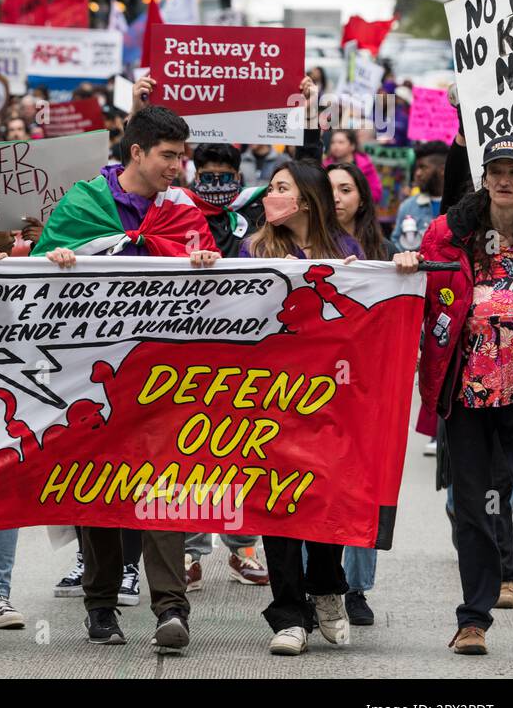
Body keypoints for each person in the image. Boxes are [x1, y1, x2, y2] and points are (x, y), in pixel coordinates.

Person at [27, 79, 217, 654]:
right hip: (92, 377)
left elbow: (215, 279)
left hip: (164, 376)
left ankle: (169, 609)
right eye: (168, 156)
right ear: (136, 152)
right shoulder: (82, 204)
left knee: (168, 484)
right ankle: (101, 605)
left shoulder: (183, 210)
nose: (178, 168)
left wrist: (205, 262)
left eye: (182, 156)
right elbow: (34, 278)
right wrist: (59, 261)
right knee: (99, 489)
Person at [415, 136, 513, 662]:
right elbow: (423, 286)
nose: (505, 180)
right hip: (466, 394)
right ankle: (473, 620)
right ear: (483, 177)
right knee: (473, 507)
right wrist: (408, 267)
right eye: (496, 170)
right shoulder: (451, 232)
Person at [227, 160, 364, 656]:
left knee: (324, 499)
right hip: (269, 398)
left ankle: (328, 588)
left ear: (305, 199)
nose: (270, 195)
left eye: (281, 188)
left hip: (328, 400)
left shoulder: (348, 251)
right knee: (276, 503)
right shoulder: (253, 249)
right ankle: (288, 615)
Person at [178, 142, 271, 588]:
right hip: (187, 352)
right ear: (194, 176)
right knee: (190, 450)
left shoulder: (256, 212)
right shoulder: (175, 212)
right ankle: (189, 553)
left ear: (239, 177)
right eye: (207, 176)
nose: (216, 185)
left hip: (244, 353)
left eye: (225, 177)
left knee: (240, 449)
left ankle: (245, 547)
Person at [326, 160, 398, 626]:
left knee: (363, 489)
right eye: (328, 189)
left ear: (362, 198)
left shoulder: (384, 251)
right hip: (314, 389)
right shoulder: (302, 249)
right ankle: (320, 583)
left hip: (366, 388)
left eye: (346, 189)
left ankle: (355, 588)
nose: (337, 197)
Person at [392, 141, 447, 251]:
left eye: (423, 167)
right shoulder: (407, 207)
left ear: (442, 170)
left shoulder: (460, 205)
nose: (417, 173)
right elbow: (395, 247)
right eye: (417, 168)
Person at [323, 128, 383, 204]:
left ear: (352, 146)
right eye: (333, 142)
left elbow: (376, 192)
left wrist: (359, 201)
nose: (336, 146)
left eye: (341, 142)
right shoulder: (325, 165)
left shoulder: (365, 165)